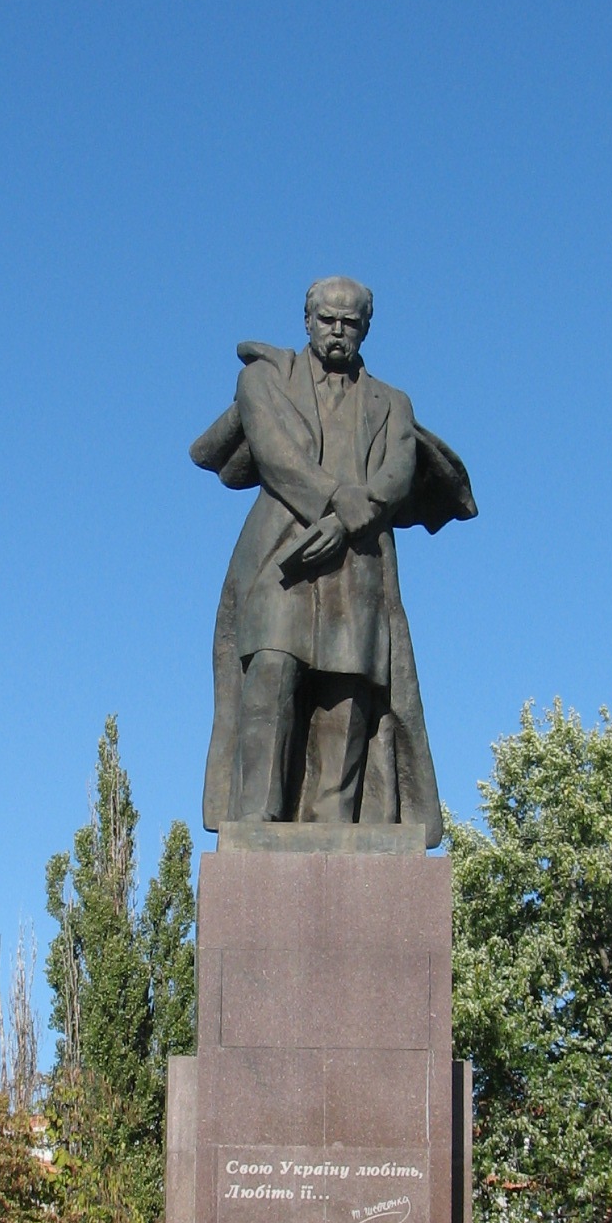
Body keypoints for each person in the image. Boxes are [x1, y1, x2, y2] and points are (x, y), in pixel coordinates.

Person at [190, 277, 476, 846]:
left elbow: (397, 473)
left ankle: (336, 829)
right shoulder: (264, 379)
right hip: (281, 554)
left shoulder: (392, 402)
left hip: (358, 557)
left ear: (366, 328)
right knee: (271, 667)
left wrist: (348, 521)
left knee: (347, 691)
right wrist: (336, 501)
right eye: (327, 319)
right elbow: (275, 456)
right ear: (307, 321)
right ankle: (256, 819)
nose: (337, 330)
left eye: (349, 322)